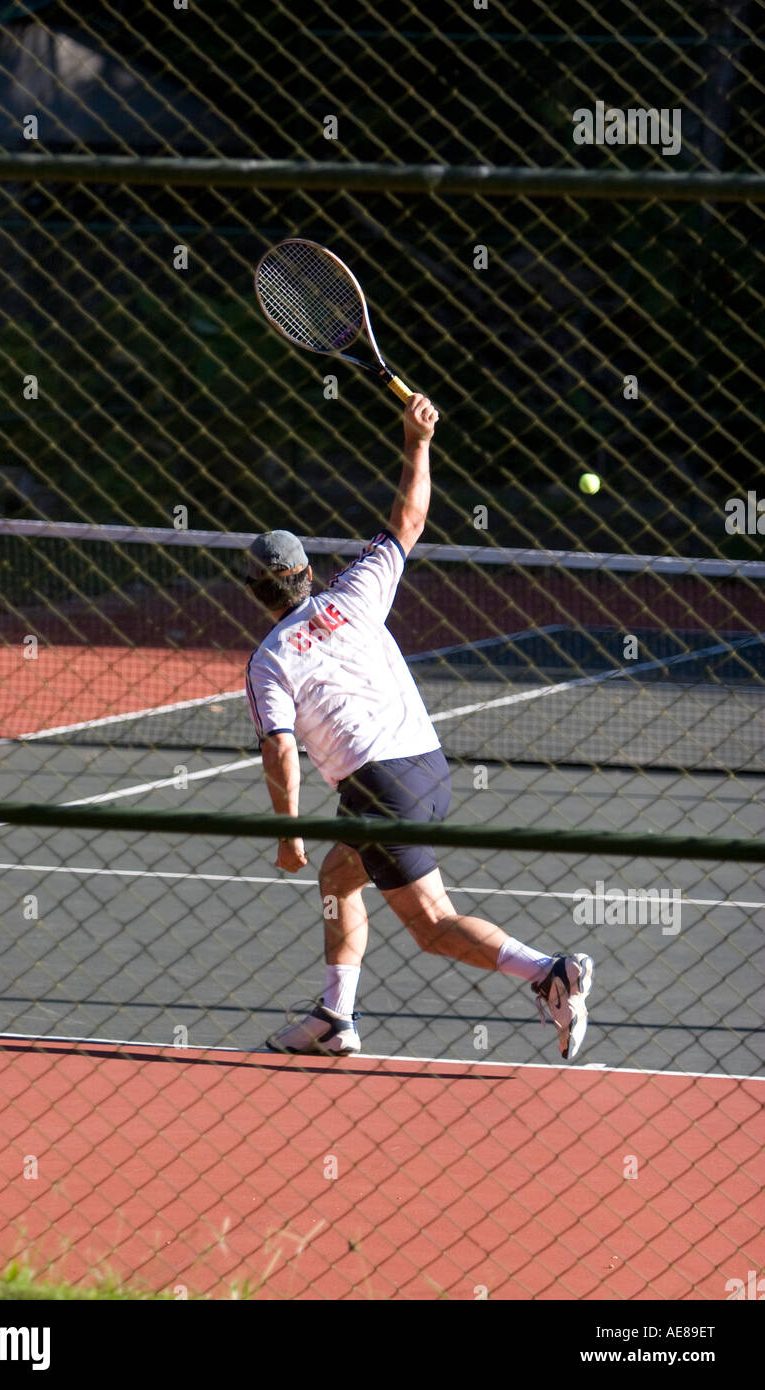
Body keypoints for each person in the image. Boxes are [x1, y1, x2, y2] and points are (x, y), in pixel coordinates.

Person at [244, 393, 594, 1061]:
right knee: (340, 876)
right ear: (308, 573)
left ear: (254, 590)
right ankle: (334, 1016)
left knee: (432, 925)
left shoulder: (269, 661)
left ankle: (551, 972)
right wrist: (417, 442)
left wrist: (286, 832)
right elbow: (409, 516)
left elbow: (280, 750)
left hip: (380, 788)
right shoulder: (354, 591)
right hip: (428, 767)